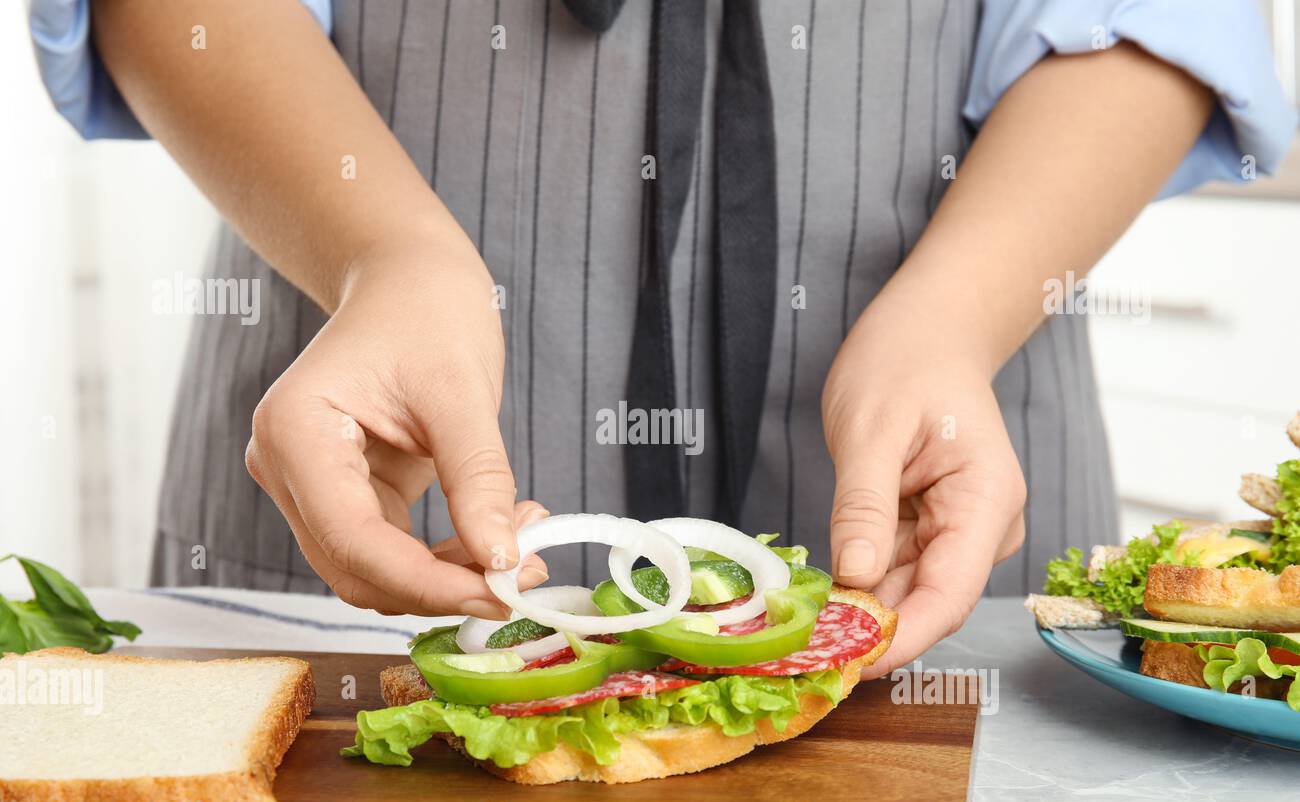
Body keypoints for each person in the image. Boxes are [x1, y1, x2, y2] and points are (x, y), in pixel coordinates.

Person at [30, 0, 1295, 676]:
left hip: (949, 398)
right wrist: (383, 253)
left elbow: (1167, 15)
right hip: (359, 383)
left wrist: (956, 317)